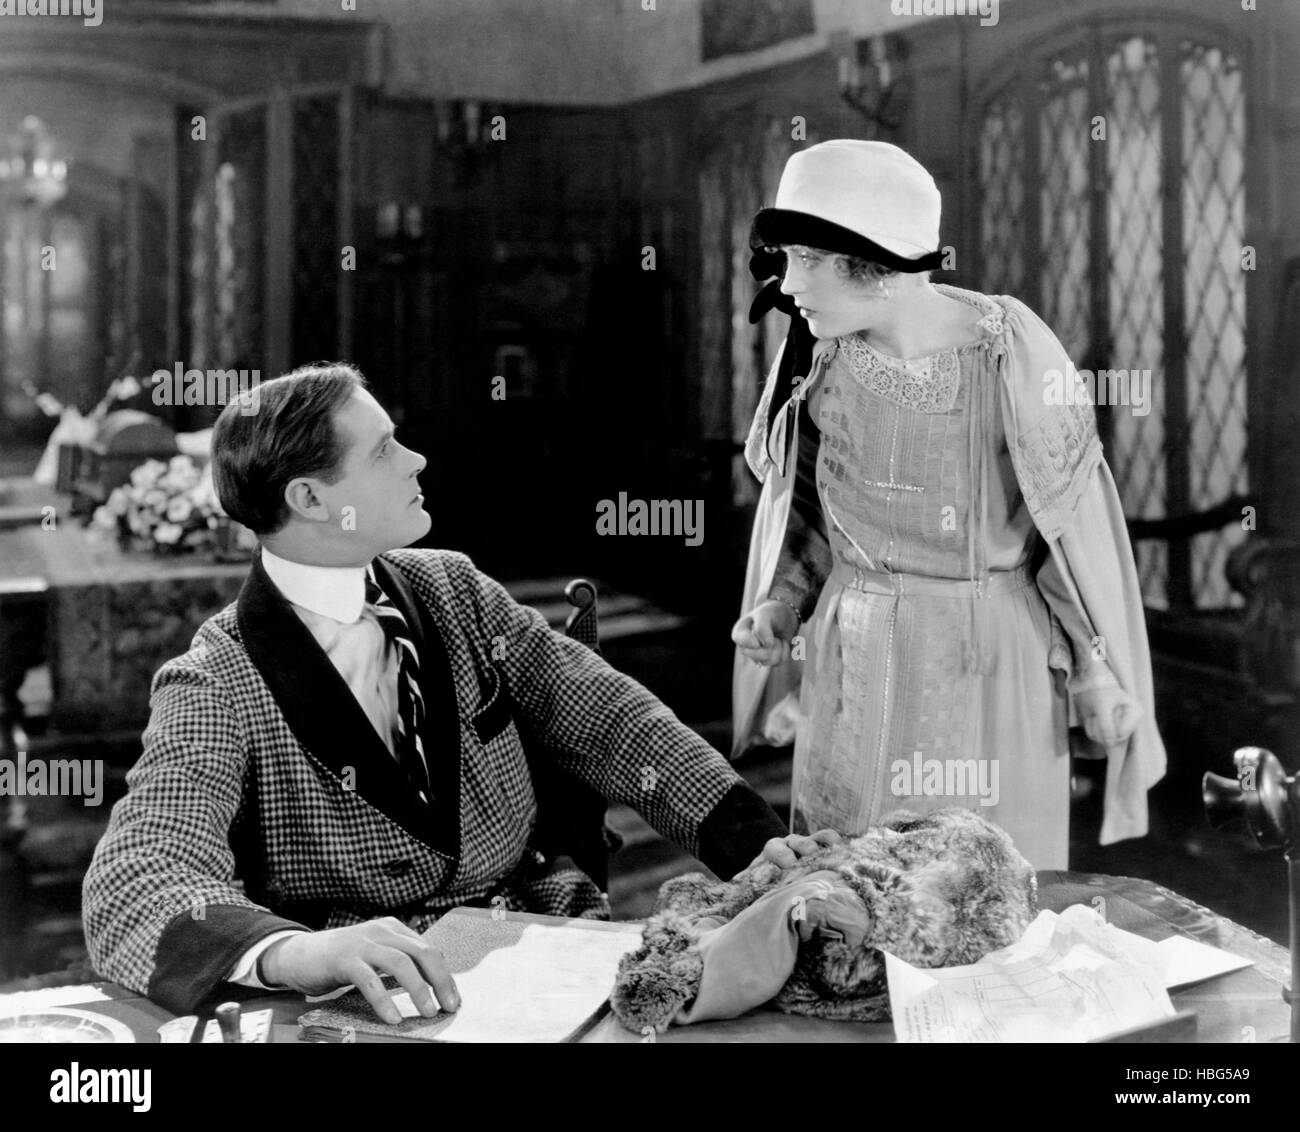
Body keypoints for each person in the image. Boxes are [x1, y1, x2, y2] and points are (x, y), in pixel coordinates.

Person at [82, 363, 822, 1024]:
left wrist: (758, 849)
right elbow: (137, 879)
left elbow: (613, 723)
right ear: (309, 498)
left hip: (550, 944)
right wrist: (294, 954)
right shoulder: (218, 676)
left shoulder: (453, 589)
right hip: (363, 1004)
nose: (417, 459)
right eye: (382, 451)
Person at [731, 140, 1166, 869]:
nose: (787, 282)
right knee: (842, 895)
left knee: (974, 903)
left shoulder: (1008, 351)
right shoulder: (818, 348)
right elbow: (806, 502)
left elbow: (1058, 528)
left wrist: (1092, 663)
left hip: (986, 659)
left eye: (807, 259)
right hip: (854, 655)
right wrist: (784, 601)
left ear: (876, 264)